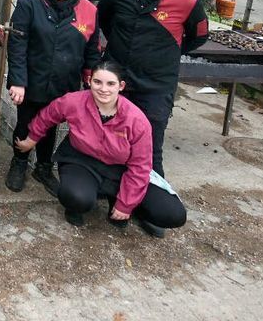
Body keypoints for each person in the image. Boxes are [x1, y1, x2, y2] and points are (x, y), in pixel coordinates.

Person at [97, 0, 206, 237]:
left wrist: (161, 54)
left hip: (156, 86)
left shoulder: (187, 1)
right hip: (117, 83)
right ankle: (107, 191)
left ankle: (147, 205)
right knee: (106, 136)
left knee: (150, 145)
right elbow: (103, 21)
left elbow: (197, 38)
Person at [16, 62, 186, 235]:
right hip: (81, 161)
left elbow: (140, 166)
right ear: (89, 81)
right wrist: (32, 139)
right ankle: (78, 205)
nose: (103, 89)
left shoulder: (137, 120)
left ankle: (122, 202)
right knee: (76, 197)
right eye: (98, 82)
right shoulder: (74, 101)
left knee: (173, 214)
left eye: (110, 84)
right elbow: (48, 115)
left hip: (121, 169)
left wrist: (125, 205)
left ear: (121, 86)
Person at [6, 0, 101, 194]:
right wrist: (18, 81)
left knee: (51, 125)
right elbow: (17, 44)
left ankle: (44, 167)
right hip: (31, 79)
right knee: (26, 122)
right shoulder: (29, 3)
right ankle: (19, 162)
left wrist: (91, 79)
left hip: (64, 82)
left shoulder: (89, 11)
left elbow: (91, 49)